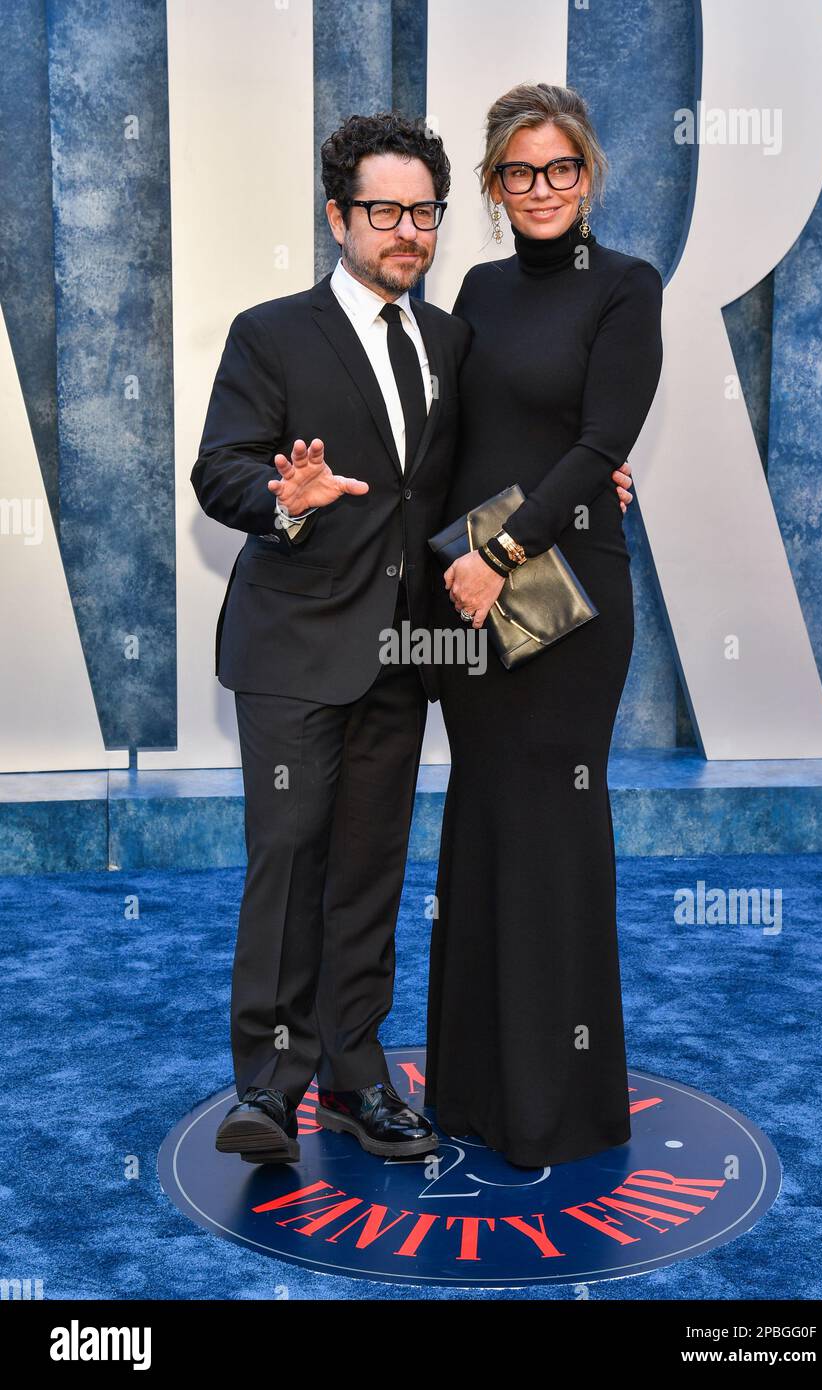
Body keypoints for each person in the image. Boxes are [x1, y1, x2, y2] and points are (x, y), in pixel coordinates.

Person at [191, 113, 469, 1164]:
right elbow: (218, 471)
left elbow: (463, 473)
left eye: (423, 212)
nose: (405, 231)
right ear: (335, 216)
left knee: (367, 871)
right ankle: (269, 1084)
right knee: (289, 858)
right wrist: (285, 494)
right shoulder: (272, 332)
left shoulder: (446, 340)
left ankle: (358, 1080)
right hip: (293, 650)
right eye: (382, 210)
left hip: (402, 657)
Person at [423, 82, 663, 1168]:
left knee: (550, 829)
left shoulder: (624, 287)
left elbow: (598, 443)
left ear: (588, 172)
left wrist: (500, 554)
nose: (540, 189)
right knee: (480, 819)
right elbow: (450, 439)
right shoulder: (472, 286)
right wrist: (447, 558)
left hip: (563, 602)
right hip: (470, 596)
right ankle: (473, 1091)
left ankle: (553, 1109)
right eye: (517, 172)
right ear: (491, 185)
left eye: (558, 168)